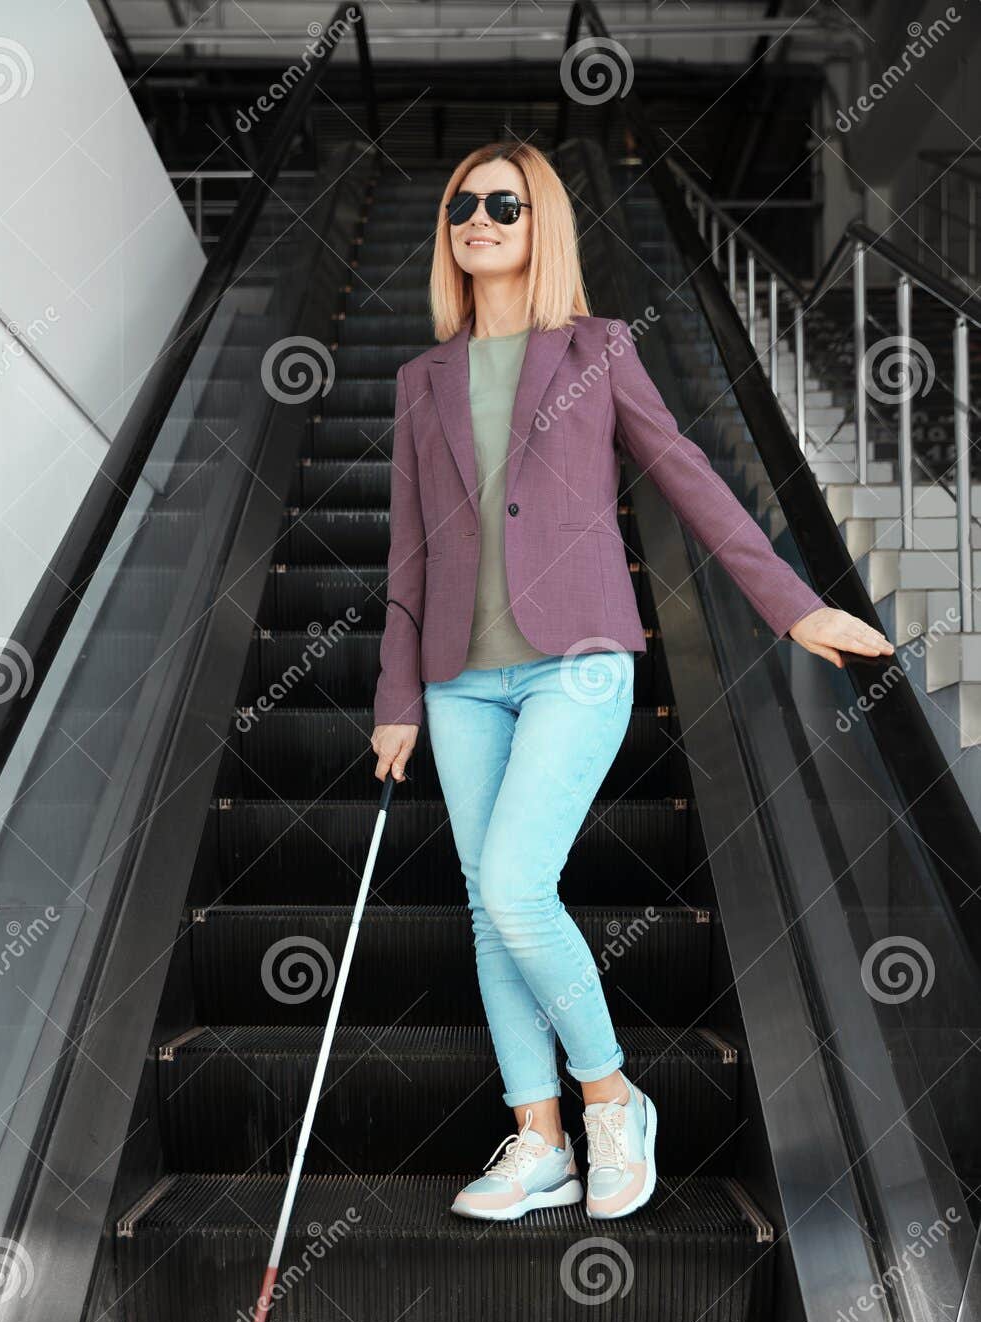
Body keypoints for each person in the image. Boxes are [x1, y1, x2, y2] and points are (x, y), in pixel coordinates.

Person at [369, 140, 893, 1224]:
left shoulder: (596, 350)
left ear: (540, 223)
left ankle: (612, 1098)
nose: (475, 217)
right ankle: (539, 1142)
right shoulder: (420, 380)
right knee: (487, 907)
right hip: (459, 683)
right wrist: (392, 699)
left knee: (514, 884)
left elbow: (688, 476)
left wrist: (792, 604)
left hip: (578, 665)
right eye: (460, 201)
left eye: (500, 203)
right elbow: (408, 553)